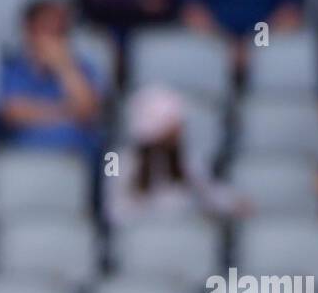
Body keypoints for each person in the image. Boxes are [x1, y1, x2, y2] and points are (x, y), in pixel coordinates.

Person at [106, 85, 247, 226]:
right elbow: (113, 209)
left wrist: (233, 203)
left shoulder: (186, 157)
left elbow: (208, 190)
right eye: (171, 124)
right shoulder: (116, 159)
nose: (179, 131)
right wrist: (153, 211)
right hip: (142, 240)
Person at [0, 0, 105, 157]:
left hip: (75, 160)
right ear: (29, 31)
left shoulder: (82, 68)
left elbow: (88, 111)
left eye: (60, 32)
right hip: (24, 159)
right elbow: (13, 113)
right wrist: (67, 112)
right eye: (46, 30)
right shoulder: (10, 68)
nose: (54, 40)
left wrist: (64, 68)